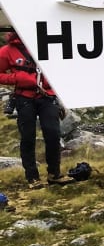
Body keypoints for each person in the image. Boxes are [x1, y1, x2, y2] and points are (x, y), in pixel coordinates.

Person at [0, 33, 73, 188]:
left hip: (47, 96)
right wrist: (16, 78)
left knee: (53, 134)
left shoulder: (49, 44)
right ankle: (32, 177)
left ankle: (54, 174)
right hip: (24, 98)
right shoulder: (7, 51)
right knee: (28, 137)